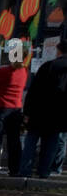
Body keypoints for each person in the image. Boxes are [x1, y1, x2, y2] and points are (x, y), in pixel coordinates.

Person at [20, 41, 67, 177]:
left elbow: (34, 90)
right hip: (58, 114)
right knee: (51, 144)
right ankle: (44, 171)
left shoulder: (48, 66)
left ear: (58, 51)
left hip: (39, 111)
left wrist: (27, 111)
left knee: (31, 141)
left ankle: (25, 170)